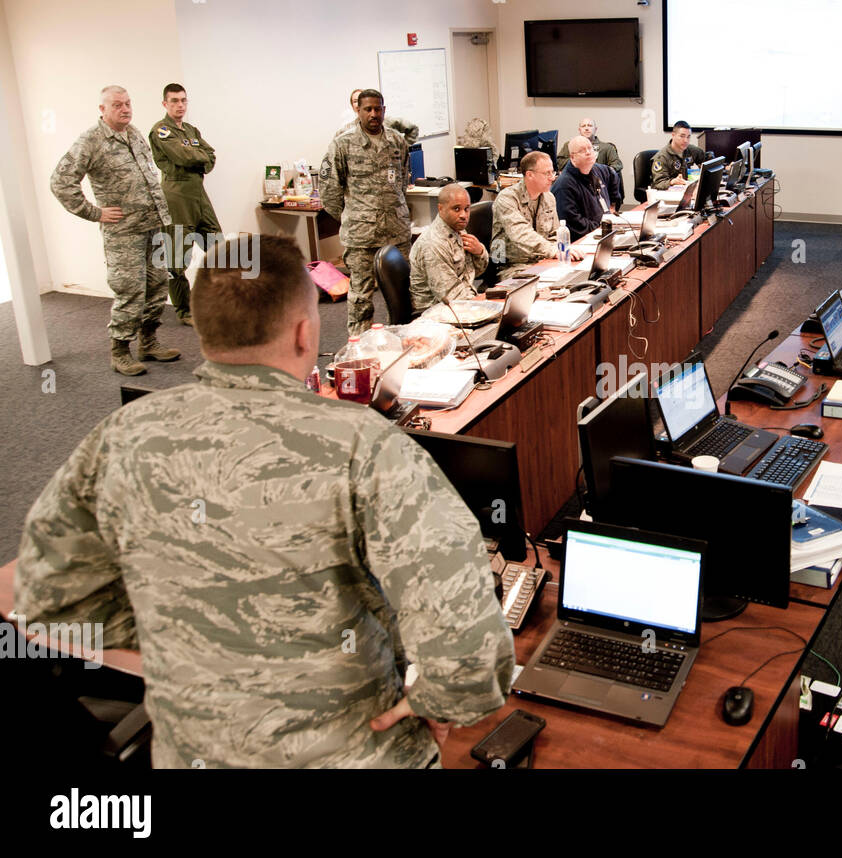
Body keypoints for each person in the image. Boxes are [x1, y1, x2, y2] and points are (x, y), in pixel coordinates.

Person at [15, 235, 515, 768]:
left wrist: (182, 632)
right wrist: (438, 702)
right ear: (304, 332)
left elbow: (49, 595)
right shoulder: (365, 447)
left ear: (202, 327)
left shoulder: (120, 437)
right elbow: (469, 648)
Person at [50, 85, 180, 376]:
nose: (125, 109)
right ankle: (120, 351)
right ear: (103, 109)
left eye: (128, 103)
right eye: (117, 105)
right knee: (130, 291)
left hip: (153, 226)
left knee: (158, 287)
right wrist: (93, 212)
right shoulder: (91, 140)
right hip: (124, 233)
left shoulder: (134, 133)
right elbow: (60, 182)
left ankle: (149, 342)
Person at [320, 88, 413, 335]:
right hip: (361, 235)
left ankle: (403, 339)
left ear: (384, 110)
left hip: (396, 230)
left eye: (377, 109)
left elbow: (402, 181)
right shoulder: (343, 143)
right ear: (358, 111)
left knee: (403, 290)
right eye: (368, 109)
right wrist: (354, 215)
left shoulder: (397, 141)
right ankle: (360, 345)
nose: (373, 114)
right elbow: (329, 190)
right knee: (361, 296)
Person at [150, 83, 221, 327]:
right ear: (165, 104)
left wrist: (197, 158)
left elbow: (210, 156)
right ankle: (184, 309)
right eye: (174, 101)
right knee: (177, 257)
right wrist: (197, 157)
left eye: (183, 100)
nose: (180, 105)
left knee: (219, 249)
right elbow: (183, 157)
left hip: (198, 194)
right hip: (176, 196)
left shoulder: (191, 130)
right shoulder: (161, 131)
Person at [491, 151, 581, 280]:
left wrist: (561, 251)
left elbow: (555, 234)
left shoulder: (548, 197)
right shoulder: (507, 199)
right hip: (511, 266)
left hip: (542, 261)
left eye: (552, 172)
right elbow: (521, 234)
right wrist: (552, 251)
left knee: (575, 277)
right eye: (547, 173)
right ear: (530, 175)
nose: (552, 178)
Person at [409, 184, 487, 313]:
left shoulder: (457, 230)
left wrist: (479, 252)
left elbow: (475, 273)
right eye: (456, 209)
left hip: (462, 302)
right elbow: (452, 297)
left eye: (467, 209)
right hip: (436, 311)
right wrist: (484, 303)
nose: (463, 215)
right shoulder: (433, 244)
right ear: (440, 209)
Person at [551, 136, 616, 237]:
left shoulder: (599, 170)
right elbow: (573, 223)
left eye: (590, 148)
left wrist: (613, 205)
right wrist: (600, 228)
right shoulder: (564, 185)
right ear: (572, 157)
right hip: (585, 238)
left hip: (604, 229)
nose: (588, 152)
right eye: (582, 151)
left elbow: (613, 176)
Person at [336, 87, 419, 145]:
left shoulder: (387, 121)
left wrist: (403, 148)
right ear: (353, 106)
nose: (359, 104)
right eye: (355, 101)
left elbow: (412, 129)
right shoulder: (346, 130)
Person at [556, 117, 623, 177]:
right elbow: (559, 163)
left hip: (599, 181)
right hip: (575, 180)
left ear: (595, 129)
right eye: (583, 126)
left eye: (590, 126)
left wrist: (602, 172)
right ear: (579, 129)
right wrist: (578, 159)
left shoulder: (607, 147)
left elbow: (617, 165)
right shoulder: (570, 145)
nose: (586, 128)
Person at [650, 121, 707, 190]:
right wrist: (672, 182)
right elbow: (658, 183)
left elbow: (708, 160)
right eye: (682, 136)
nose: (686, 140)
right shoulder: (661, 158)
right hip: (669, 193)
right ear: (673, 135)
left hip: (686, 189)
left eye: (688, 137)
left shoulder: (691, 150)